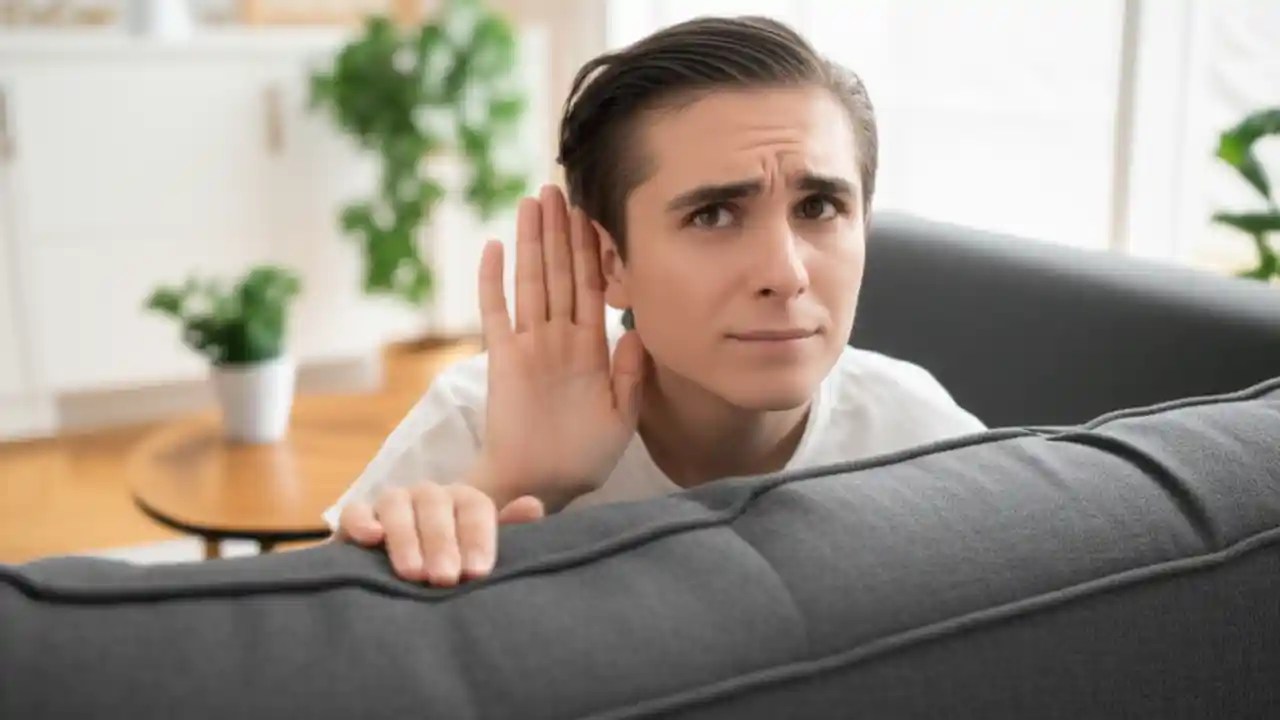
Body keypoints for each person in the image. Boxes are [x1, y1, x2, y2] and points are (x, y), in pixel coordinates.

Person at [324, 16, 986, 586]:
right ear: (611, 262)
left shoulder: (923, 441)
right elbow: (292, 660)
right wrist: (510, 486)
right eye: (715, 215)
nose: (785, 274)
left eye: (819, 206)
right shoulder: (481, 425)